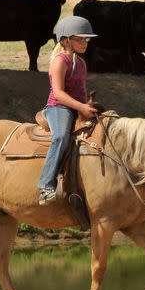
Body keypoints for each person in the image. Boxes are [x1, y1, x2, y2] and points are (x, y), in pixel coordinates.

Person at [37, 16, 98, 205]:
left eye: (86, 39)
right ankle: (46, 186)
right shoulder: (60, 61)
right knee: (61, 136)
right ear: (66, 40)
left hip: (76, 106)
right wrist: (81, 107)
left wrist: (88, 106)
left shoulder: (81, 63)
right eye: (80, 39)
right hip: (58, 107)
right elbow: (58, 93)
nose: (84, 43)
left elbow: (81, 91)